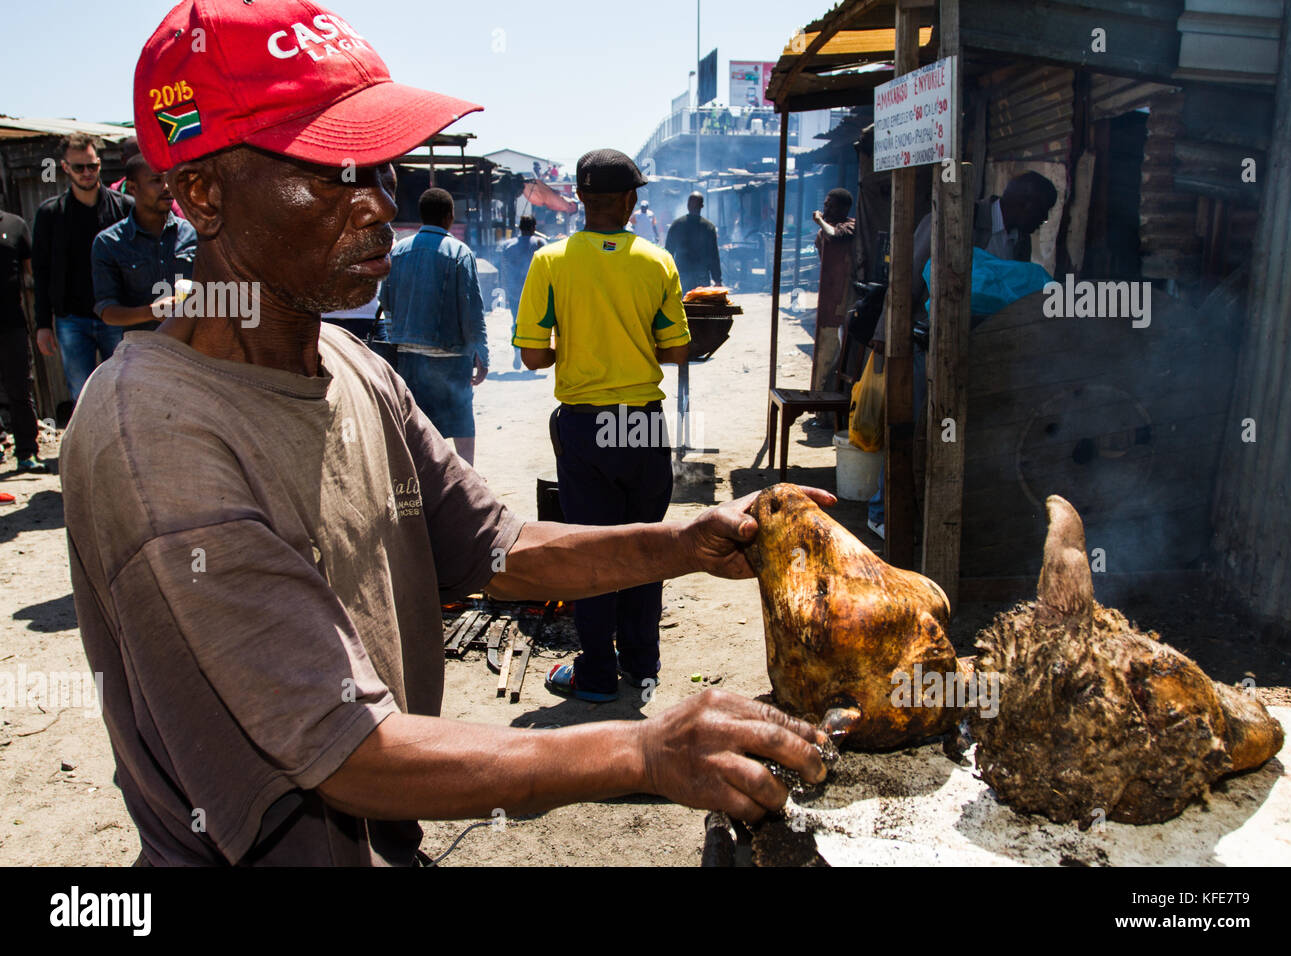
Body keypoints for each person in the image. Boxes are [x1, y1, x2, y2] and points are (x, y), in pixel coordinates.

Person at [62, 0, 829, 867]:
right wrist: (641, 750)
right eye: (331, 174)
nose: (376, 207)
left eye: (380, 172)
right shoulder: (155, 436)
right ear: (203, 194)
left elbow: (497, 549)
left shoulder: (354, 366)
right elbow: (351, 753)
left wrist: (685, 542)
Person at [513, 148, 693, 704]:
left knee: (591, 553)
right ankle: (642, 668)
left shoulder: (551, 262)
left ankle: (594, 675)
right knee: (645, 547)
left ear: (579, 202)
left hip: (586, 426)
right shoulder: (657, 262)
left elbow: (533, 359)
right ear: (632, 202)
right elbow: (678, 350)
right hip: (641, 424)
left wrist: (578, 341)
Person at [863, 171, 1058, 538]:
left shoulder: (1019, 239)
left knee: (953, 434)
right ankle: (882, 512)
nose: (1043, 221)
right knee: (912, 425)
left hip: (974, 348)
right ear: (1025, 203)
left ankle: (933, 514)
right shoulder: (954, 216)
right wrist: (885, 333)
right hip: (925, 340)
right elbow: (906, 277)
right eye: (1043, 212)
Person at [379, 187, 488, 465]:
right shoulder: (460, 253)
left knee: (417, 425)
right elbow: (472, 308)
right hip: (451, 357)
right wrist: (481, 353)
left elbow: (386, 300)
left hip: (408, 356)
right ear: (450, 216)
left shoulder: (399, 251)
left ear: (421, 216)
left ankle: (422, 485)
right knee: (462, 422)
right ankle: (466, 480)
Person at [31, 133, 134, 403]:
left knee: (126, 391)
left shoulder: (123, 208)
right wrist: (43, 324)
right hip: (73, 319)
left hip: (117, 315)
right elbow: (40, 272)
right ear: (65, 168)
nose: (87, 173)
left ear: (99, 164)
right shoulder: (51, 214)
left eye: (92, 166)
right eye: (79, 167)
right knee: (84, 396)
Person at [92, 153, 198, 332]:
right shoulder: (109, 243)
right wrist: (151, 312)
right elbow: (107, 311)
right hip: (141, 349)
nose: (167, 187)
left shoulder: (195, 234)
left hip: (193, 346)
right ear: (132, 188)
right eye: (156, 181)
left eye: (169, 179)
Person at [0, 205, 48, 473]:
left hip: (11, 323)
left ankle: (27, 452)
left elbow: (32, 273)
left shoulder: (15, 225)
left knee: (20, 387)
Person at [810, 188, 857, 407]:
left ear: (843, 208)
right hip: (829, 300)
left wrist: (820, 220)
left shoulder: (850, 226)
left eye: (831, 205)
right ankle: (820, 406)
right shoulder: (824, 232)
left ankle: (828, 407)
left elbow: (834, 236)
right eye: (825, 204)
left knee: (838, 357)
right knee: (823, 357)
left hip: (845, 300)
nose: (826, 208)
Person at [500, 215, 546, 370]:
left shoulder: (508, 245)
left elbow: (504, 271)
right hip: (536, 293)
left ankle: (517, 350)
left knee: (516, 323)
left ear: (520, 228)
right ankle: (532, 354)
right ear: (534, 227)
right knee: (535, 324)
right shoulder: (540, 243)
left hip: (514, 292)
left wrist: (504, 290)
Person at [664, 191, 722, 294]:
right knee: (702, 305)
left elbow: (668, 252)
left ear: (687, 206)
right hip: (702, 275)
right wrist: (717, 279)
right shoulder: (708, 227)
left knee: (683, 305)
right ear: (702, 206)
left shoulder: (677, 224)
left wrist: (666, 275)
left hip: (682, 273)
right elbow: (713, 255)